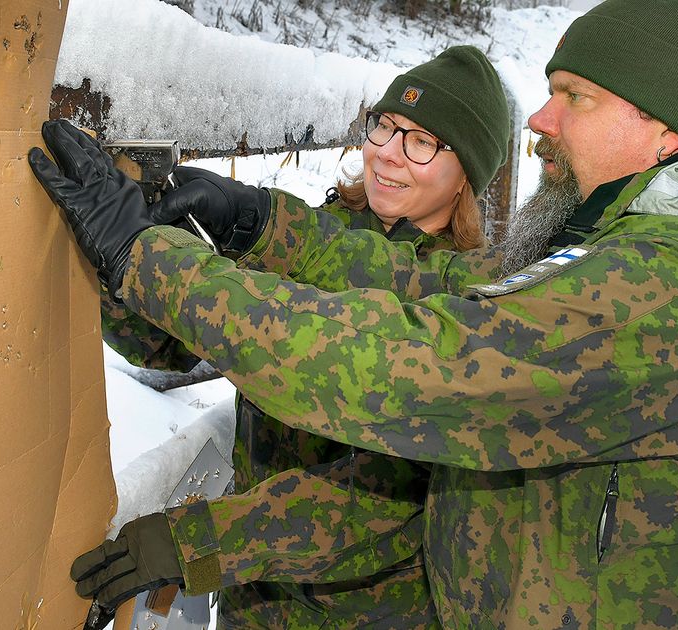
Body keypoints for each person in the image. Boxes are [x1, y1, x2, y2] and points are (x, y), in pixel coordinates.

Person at [31, 1, 678, 626]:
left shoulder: (666, 289)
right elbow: (426, 288)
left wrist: (146, 257)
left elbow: (405, 368)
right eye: (386, 128)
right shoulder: (627, 248)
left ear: (665, 127)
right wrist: (257, 222)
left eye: (575, 97)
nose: (543, 121)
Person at [94, 46, 511, 628]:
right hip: (251, 600)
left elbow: (381, 507)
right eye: (384, 126)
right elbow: (170, 348)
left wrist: (198, 547)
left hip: (364, 611)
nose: (388, 153)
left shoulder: (469, 310)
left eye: (421, 141)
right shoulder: (311, 234)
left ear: (467, 173)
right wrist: (119, 263)